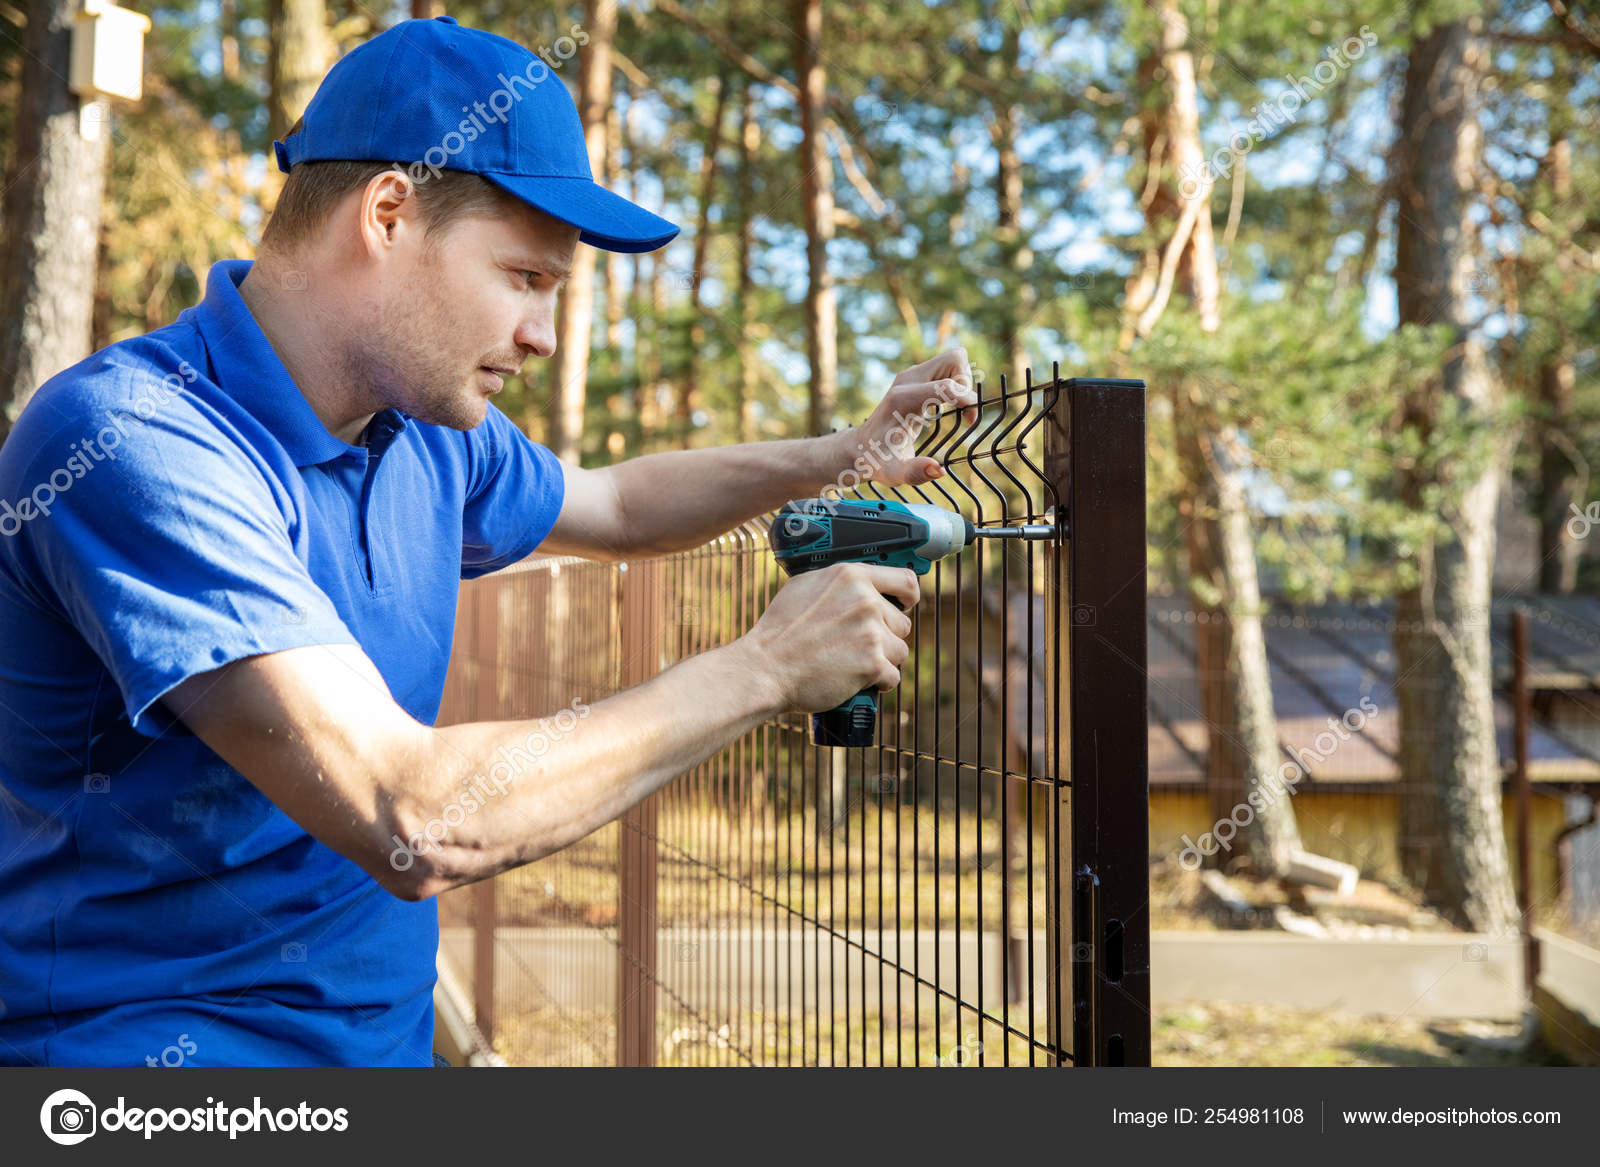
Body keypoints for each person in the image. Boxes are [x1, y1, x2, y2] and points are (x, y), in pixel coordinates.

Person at [0, 16, 977, 1066]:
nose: (543, 335)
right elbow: (409, 813)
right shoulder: (137, 442)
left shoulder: (420, 428)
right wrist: (769, 666)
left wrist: (837, 455)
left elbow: (616, 505)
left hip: (382, 1048)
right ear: (388, 213)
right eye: (526, 277)